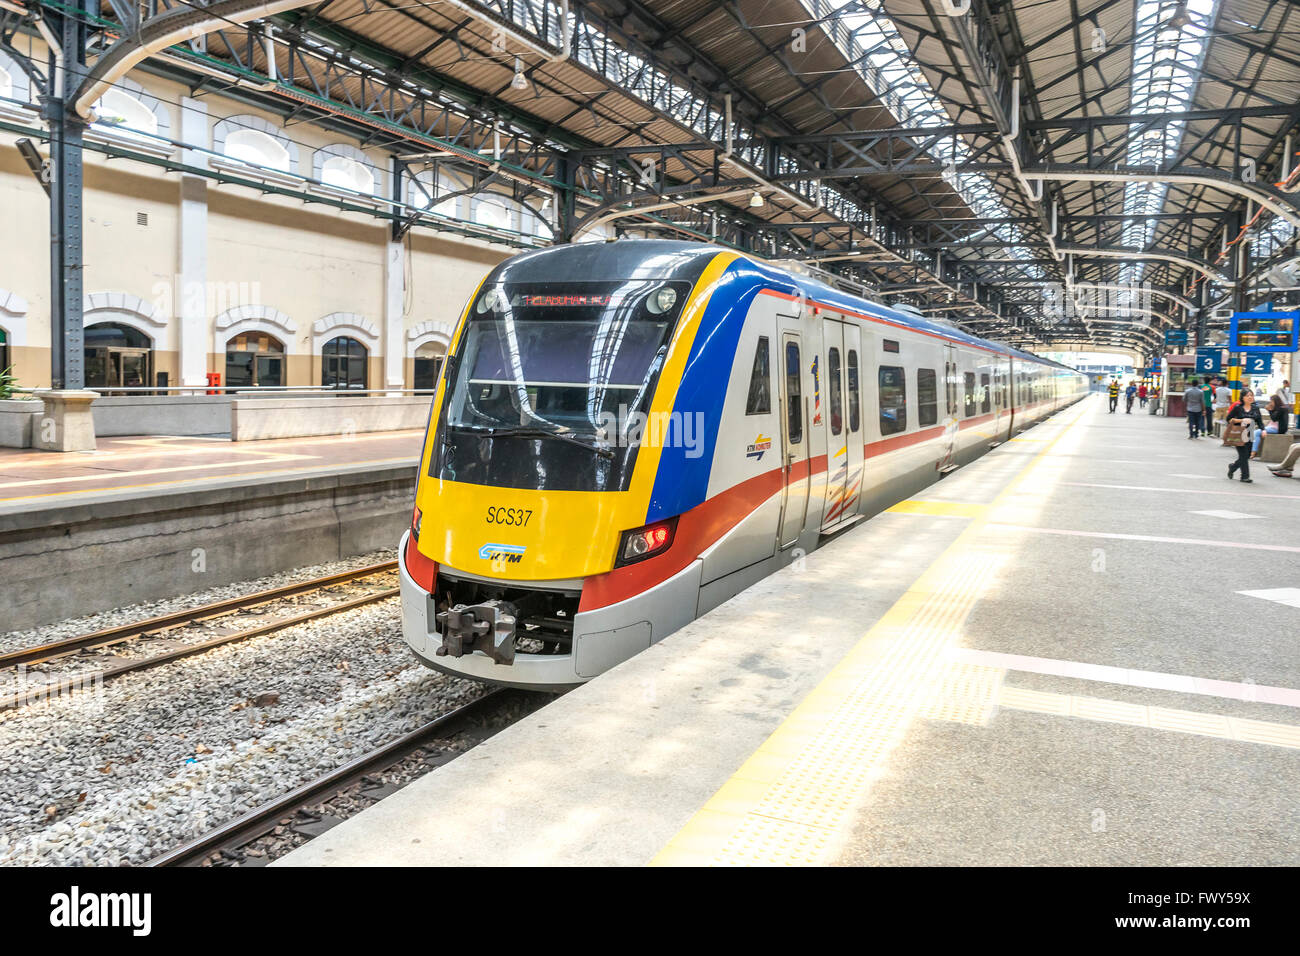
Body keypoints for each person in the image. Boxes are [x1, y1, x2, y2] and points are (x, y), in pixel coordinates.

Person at [1225, 388, 1264, 483]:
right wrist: (1241, 420)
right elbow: (1228, 419)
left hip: (1250, 432)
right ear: (1242, 397)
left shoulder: (1256, 408)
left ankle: (1233, 467)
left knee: (1246, 456)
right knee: (1243, 455)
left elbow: (1259, 421)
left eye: (1251, 395)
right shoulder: (1237, 407)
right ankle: (1245, 476)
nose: (1250, 397)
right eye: (1247, 395)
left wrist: (1263, 430)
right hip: (1239, 432)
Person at [1250, 393, 1291, 459]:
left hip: (1278, 429)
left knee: (1256, 432)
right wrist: (1271, 409)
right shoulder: (1279, 408)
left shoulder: (1282, 409)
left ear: (1276, 401)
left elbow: (1274, 418)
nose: (1271, 403)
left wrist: (1269, 410)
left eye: (1271, 401)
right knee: (1256, 431)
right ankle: (1252, 450)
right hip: (1273, 427)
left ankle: (1253, 452)